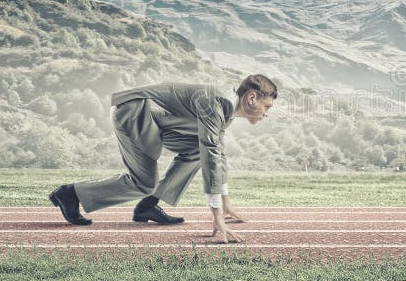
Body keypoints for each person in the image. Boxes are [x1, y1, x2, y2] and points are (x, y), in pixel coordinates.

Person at [48, 75, 277, 243]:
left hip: (158, 122)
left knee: (199, 150)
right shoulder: (218, 103)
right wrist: (217, 215)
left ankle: (148, 205)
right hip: (136, 111)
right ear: (252, 97)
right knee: (143, 183)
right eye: (266, 107)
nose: (266, 114)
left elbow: (216, 152)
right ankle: (70, 193)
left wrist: (225, 203)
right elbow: (211, 150)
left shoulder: (225, 111)